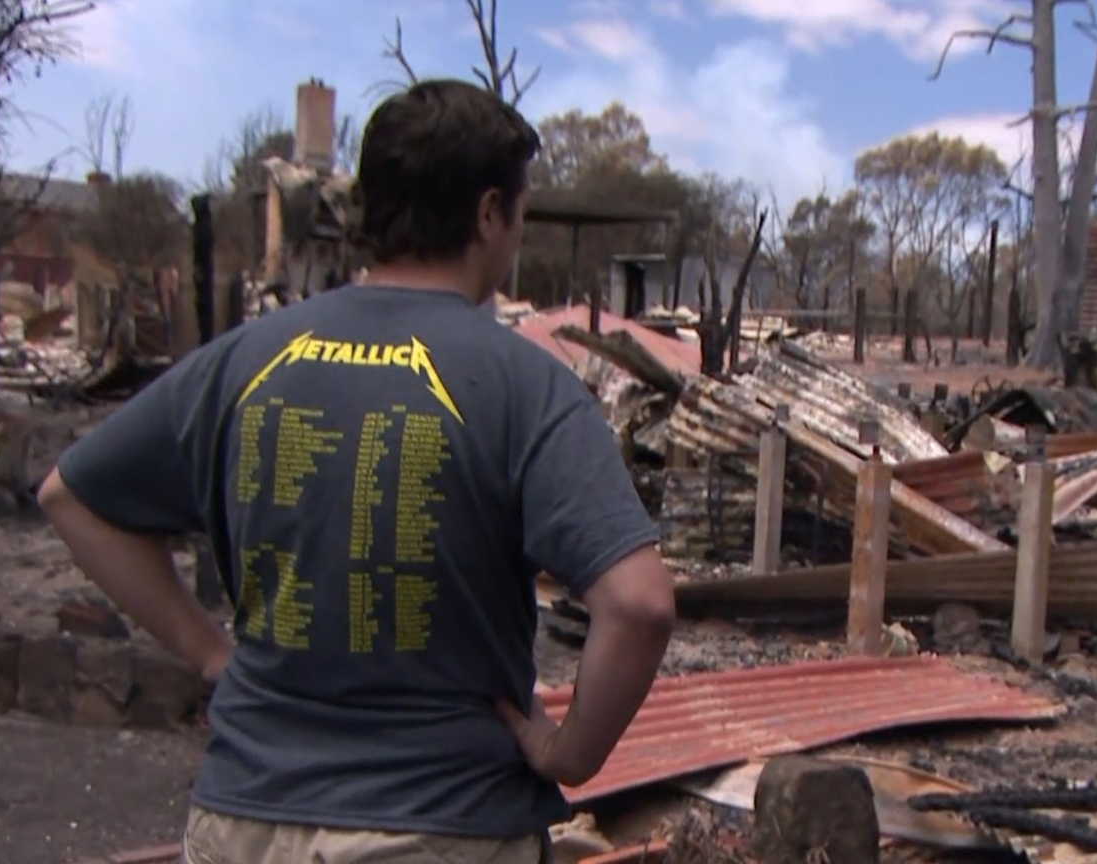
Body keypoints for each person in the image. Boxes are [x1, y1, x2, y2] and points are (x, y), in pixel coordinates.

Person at [36, 79, 676, 864]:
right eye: (520, 210)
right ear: (487, 214)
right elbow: (640, 604)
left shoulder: (246, 360)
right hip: (442, 825)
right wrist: (571, 753)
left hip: (244, 821)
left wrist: (209, 651)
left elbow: (70, 498)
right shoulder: (525, 384)